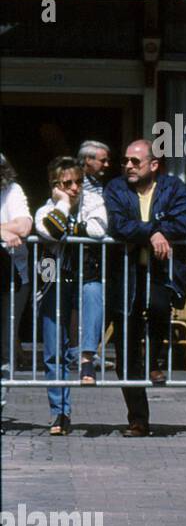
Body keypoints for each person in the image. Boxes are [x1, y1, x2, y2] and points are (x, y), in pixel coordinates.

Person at [104, 139, 186, 437]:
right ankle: (138, 418)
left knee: (158, 308)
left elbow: (185, 222)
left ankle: (155, 360)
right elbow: (118, 225)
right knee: (126, 343)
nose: (128, 166)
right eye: (125, 161)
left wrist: (156, 228)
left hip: (161, 272)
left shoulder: (173, 188)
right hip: (126, 272)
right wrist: (155, 230)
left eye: (135, 161)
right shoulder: (116, 188)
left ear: (154, 165)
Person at [33, 158, 108, 435]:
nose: (75, 188)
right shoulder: (45, 209)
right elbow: (49, 229)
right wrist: (63, 205)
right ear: (56, 186)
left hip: (85, 274)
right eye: (67, 184)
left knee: (93, 294)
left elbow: (100, 230)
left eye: (78, 181)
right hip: (53, 275)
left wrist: (69, 229)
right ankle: (59, 413)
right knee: (54, 348)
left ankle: (87, 356)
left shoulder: (94, 201)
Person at [0, 155, 33, 409]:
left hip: (11, 276)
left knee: (4, 344)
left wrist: (8, 229)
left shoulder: (12, 190)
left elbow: (23, 226)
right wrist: (2, 230)